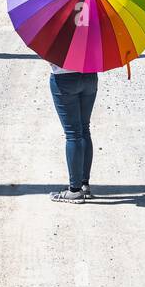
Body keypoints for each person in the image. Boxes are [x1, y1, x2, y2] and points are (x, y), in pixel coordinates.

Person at [48, 64, 98, 203]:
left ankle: (75, 190)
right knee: (84, 129)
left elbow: (47, 52)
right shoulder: (91, 39)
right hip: (90, 76)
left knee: (73, 134)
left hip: (64, 79)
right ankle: (84, 184)